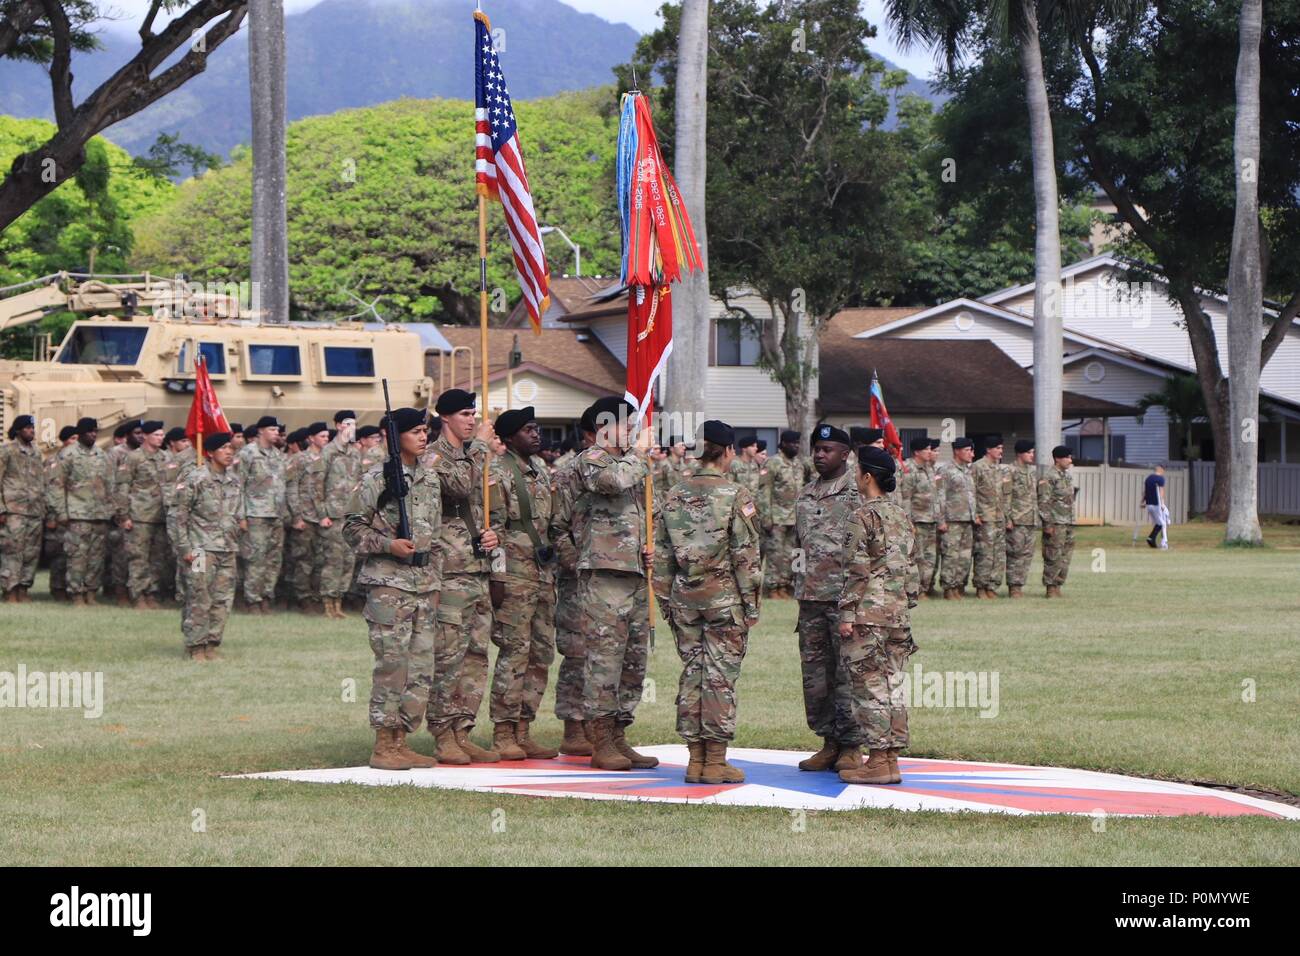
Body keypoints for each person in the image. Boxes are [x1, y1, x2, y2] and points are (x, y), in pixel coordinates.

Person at [654, 419, 761, 784]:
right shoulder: (735, 496)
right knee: (719, 678)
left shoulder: (673, 495)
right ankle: (714, 761)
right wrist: (751, 605)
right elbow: (745, 557)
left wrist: (666, 601)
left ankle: (695, 759)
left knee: (693, 673)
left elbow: (663, 556)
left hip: (684, 599)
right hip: (723, 601)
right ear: (728, 451)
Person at [344, 406, 442, 771]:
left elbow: (436, 535)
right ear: (395, 436)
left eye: (425, 430)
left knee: (420, 666)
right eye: (415, 430)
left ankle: (402, 739)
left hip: (423, 582)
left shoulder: (430, 479)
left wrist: (436, 580)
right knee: (393, 664)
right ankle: (383, 744)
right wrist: (389, 545)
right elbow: (352, 528)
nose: (423, 436)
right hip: (388, 583)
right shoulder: (377, 478)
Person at [576, 395, 657, 771]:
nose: (633, 433)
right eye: (627, 426)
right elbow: (611, 482)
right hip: (604, 577)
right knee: (604, 661)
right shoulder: (592, 461)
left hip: (634, 575)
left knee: (633, 661)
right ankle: (601, 739)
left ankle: (620, 733)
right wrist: (640, 454)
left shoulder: (633, 465)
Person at [424, 388, 503, 765]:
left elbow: (489, 505)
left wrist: (493, 532)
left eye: (474, 414)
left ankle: (463, 728)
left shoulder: (474, 456)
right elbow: (457, 486)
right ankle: (442, 732)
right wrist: (483, 449)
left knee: (476, 655)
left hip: (478, 568)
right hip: (451, 570)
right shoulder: (435, 456)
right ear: (445, 418)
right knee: (449, 655)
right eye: (464, 414)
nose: (472, 420)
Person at [836, 446, 919, 785]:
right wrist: (905, 603)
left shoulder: (862, 517)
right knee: (892, 685)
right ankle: (889, 760)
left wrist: (846, 613)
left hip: (867, 615)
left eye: (857, 472)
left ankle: (877, 761)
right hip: (896, 615)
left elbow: (856, 570)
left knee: (868, 688)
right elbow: (912, 568)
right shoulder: (902, 516)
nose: (855, 478)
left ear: (867, 477)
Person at [485, 407, 560, 760]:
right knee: (514, 653)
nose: (536, 434)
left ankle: (523, 728)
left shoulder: (540, 471)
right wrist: (497, 576)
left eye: (536, 428)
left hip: (542, 576)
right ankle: (503, 732)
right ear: (509, 436)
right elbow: (494, 531)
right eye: (528, 430)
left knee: (541, 653)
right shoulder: (498, 472)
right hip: (514, 576)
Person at [792, 423, 863, 774]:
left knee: (847, 673)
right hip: (811, 599)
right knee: (816, 677)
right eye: (817, 449)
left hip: (846, 598)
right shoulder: (805, 494)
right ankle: (828, 741)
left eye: (828, 449)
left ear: (845, 454)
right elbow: (799, 545)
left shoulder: (858, 493)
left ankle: (851, 745)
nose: (820, 455)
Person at [548, 405, 598, 756]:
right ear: (590, 435)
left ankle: (604, 727)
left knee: (609, 656)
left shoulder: (625, 472)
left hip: (615, 581)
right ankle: (574, 727)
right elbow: (556, 529)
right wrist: (575, 564)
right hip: (579, 578)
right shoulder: (569, 475)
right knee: (578, 653)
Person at [174, 433, 243, 660]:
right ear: (210, 452)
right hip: (201, 548)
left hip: (227, 548)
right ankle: (195, 646)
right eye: (223, 448)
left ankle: (212, 644)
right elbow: (179, 516)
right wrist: (185, 549)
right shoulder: (196, 478)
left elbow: (237, 513)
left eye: (231, 448)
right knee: (199, 597)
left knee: (222, 599)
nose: (229, 451)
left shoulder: (234, 480)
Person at [50, 417, 116, 606]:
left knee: (96, 558)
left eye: (96, 431)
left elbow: (110, 484)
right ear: (80, 434)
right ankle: (76, 594)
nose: (93, 435)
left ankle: (91, 592)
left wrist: (110, 509)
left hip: (99, 514)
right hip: (77, 513)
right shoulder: (67, 455)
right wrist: (61, 513)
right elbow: (56, 486)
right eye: (90, 431)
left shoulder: (102, 455)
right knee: (77, 556)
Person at [115, 421, 170, 609]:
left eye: (162, 435)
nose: (160, 438)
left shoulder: (166, 458)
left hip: (161, 516)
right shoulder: (133, 458)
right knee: (138, 558)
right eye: (156, 435)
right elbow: (122, 487)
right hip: (139, 516)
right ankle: (138, 595)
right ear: (145, 436)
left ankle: (151, 593)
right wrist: (124, 516)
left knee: (157, 559)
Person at [238, 416, 288, 614]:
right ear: (261, 431)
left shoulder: (277, 455)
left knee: (273, 559)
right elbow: (238, 485)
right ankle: (253, 600)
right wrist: (240, 516)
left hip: (276, 514)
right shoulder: (247, 453)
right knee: (255, 559)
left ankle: (267, 596)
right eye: (272, 429)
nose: (276, 433)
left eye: (277, 430)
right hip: (255, 514)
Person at [316, 410, 362, 619]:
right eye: (347, 423)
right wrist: (321, 514)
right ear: (338, 426)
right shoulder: (328, 451)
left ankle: (339, 602)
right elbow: (316, 485)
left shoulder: (355, 452)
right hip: (333, 515)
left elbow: (360, 482)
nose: (351, 427)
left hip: (351, 515)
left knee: (348, 560)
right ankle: (328, 603)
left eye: (353, 423)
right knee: (333, 561)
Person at [0, 415, 45, 603]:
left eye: (32, 428)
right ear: (18, 430)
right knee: (13, 550)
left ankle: (23, 588)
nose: (31, 431)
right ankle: (10, 590)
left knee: (31, 552)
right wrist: (1, 509)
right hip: (14, 510)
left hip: (34, 510)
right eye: (27, 428)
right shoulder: (6, 451)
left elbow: (41, 481)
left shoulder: (36, 452)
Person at [763, 429, 808, 599]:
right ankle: (772, 587)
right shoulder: (772, 463)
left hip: (794, 517)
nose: (795, 446)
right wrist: (766, 517)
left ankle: (784, 585)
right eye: (792, 443)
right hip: (777, 517)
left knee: (791, 554)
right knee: (775, 554)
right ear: (782, 444)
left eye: (797, 443)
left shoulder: (799, 464)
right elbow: (764, 491)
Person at [105, 419, 142, 604]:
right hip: (122, 510)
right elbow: (111, 483)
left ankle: (137, 591)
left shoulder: (144, 454)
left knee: (139, 556)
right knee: (121, 554)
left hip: (142, 512)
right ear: (127, 435)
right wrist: (118, 512)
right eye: (137, 433)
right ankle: (119, 591)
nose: (141, 436)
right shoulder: (116, 453)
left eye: (143, 432)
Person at [898, 435, 941, 599]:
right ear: (917, 452)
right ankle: (915, 590)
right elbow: (906, 497)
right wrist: (908, 521)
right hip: (918, 520)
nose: (930, 452)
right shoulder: (909, 469)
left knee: (930, 557)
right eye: (927, 449)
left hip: (931, 519)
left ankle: (925, 587)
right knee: (918, 557)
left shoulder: (929, 469)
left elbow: (935, 495)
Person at [43, 425, 80, 601]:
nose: (76, 442)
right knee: (59, 553)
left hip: (76, 513)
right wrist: (52, 516)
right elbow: (50, 490)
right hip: (59, 515)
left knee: (74, 553)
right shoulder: (54, 460)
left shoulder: (78, 460)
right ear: (64, 441)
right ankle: (58, 588)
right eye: (72, 438)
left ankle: (72, 587)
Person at [938, 437, 977, 599]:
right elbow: (940, 496)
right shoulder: (945, 470)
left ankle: (958, 586)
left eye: (971, 450)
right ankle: (948, 587)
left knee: (965, 556)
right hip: (951, 519)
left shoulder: (968, 470)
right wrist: (941, 520)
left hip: (967, 519)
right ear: (957, 451)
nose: (972, 454)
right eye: (968, 450)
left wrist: (975, 515)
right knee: (951, 555)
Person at [971, 435, 1008, 599]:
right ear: (988, 450)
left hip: (999, 518)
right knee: (984, 553)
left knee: (998, 555)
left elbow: (1004, 494)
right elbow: (971, 492)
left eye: (1001, 448)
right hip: (985, 517)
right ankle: (981, 586)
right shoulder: (977, 467)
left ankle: (992, 586)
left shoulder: (1000, 468)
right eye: (998, 448)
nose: (1001, 451)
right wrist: (975, 514)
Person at [1039, 445, 1076, 597]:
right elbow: (1043, 501)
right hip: (1055, 523)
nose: (1070, 460)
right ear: (1057, 459)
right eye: (1067, 457)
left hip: (1068, 522)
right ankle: (1050, 587)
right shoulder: (1049, 477)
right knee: (1053, 556)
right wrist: (1047, 524)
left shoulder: (1066, 476)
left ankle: (1058, 584)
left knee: (1065, 556)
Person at [1005, 439, 1039, 598]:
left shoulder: (1032, 472)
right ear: (1020, 453)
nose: (1032, 455)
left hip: (1031, 520)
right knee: (1015, 554)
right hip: (1017, 520)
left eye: (1032, 452)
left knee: (1027, 555)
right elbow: (1006, 496)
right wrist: (1008, 518)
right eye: (1029, 452)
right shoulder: (1010, 471)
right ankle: (1014, 587)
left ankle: (1021, 583)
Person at [1144, 464, 1167, 548]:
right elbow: (1161, 491)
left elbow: (1145, 492)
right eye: (1164, 469)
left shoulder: (1148, 478)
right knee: (1162, 524)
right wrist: (1162, 503)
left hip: (1149, 504)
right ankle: (1153, 539)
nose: (1164, 471)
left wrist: (1142, 502)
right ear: (1160, 469)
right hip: (1156, 504)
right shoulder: (1160, 479)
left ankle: (1152, 540)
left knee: (1158, 523)